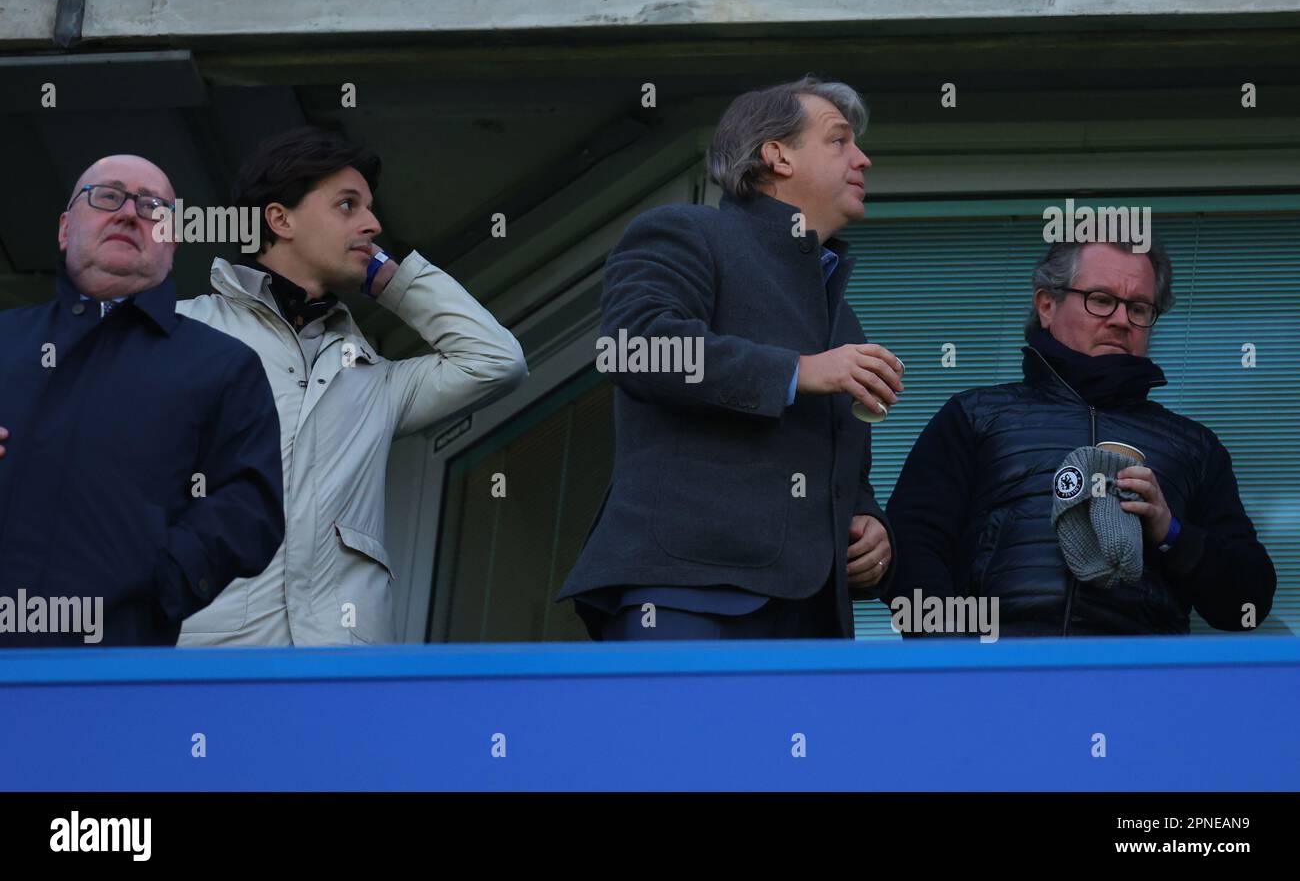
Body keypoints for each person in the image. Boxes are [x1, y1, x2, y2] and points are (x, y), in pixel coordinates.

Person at [557, 75, 904, 641]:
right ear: (776, 156)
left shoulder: (841, 316)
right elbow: (637, 346)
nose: (862, 159)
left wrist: (869, 525)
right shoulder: (687, 231)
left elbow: (836, 463)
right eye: (839, 140)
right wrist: (797, 370)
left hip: (811, 620)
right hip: (686, 593)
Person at [176, 127, 528, 647]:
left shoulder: (374, 379)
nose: (372, 223)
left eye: (368, 207)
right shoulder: (183, 332)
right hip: (210, 663)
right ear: (279, 219)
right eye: (347, 205)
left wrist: (389, 278)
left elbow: (496, 361)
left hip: (342, 670)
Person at [883, 235, 1276, 635]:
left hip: (1136, 681)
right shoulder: (975, 417)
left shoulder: (1194, 447)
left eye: (1139, 308)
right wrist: (961, 655)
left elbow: (1248, 602)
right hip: (996, 675)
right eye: (1102, 300)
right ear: (1047, 306)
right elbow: (908, 548)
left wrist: (1171, 533)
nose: (1122, 320)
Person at [0, 155, 284, 647]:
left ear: (171, 244)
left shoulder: (221, 366)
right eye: (107, 196)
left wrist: (157, 581)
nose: (130, 213)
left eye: (154, 208)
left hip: (110, 664)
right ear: (67, 229)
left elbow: (248, 509)